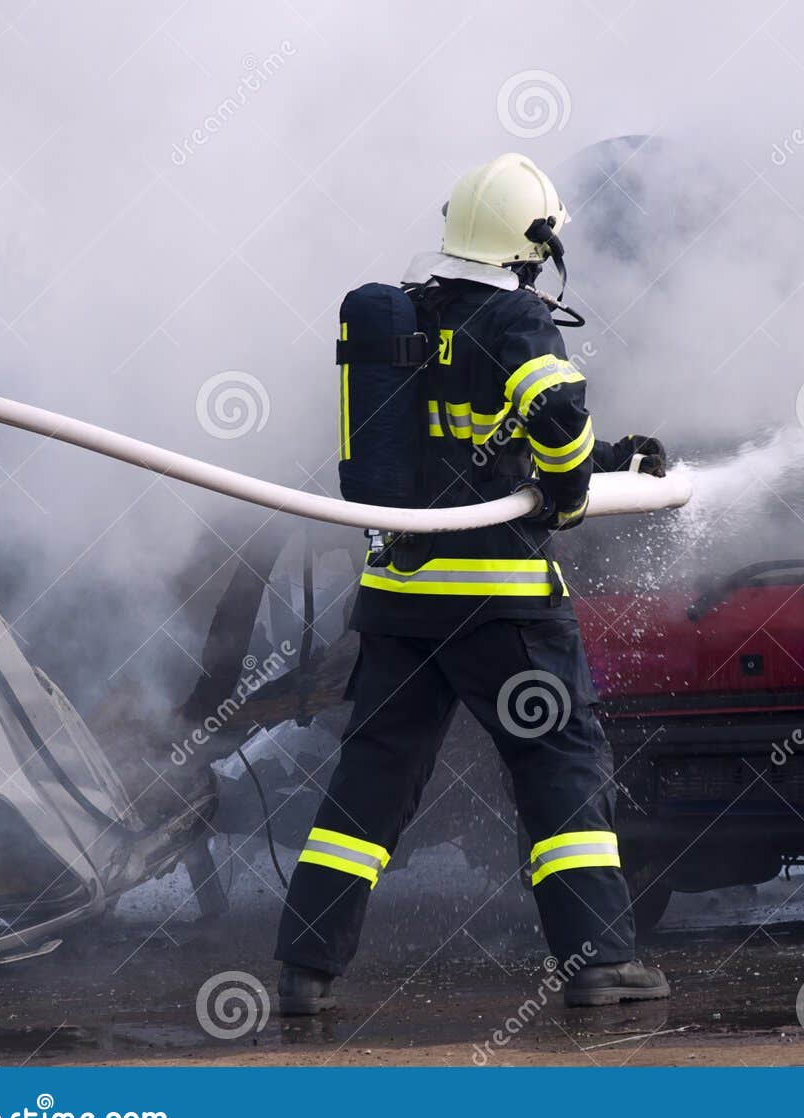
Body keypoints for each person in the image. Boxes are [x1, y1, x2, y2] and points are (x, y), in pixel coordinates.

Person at [274, 153, 670, 1014]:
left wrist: (609, 462)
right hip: (502, 608)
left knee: (370, 782)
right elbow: (554, 414)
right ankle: (600, 963)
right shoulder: (517, 319)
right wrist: (571, 492)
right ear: (533, 243)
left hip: (401, 603)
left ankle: (304, 971)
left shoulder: (410, 319)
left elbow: (468, 443)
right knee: (560, 762)